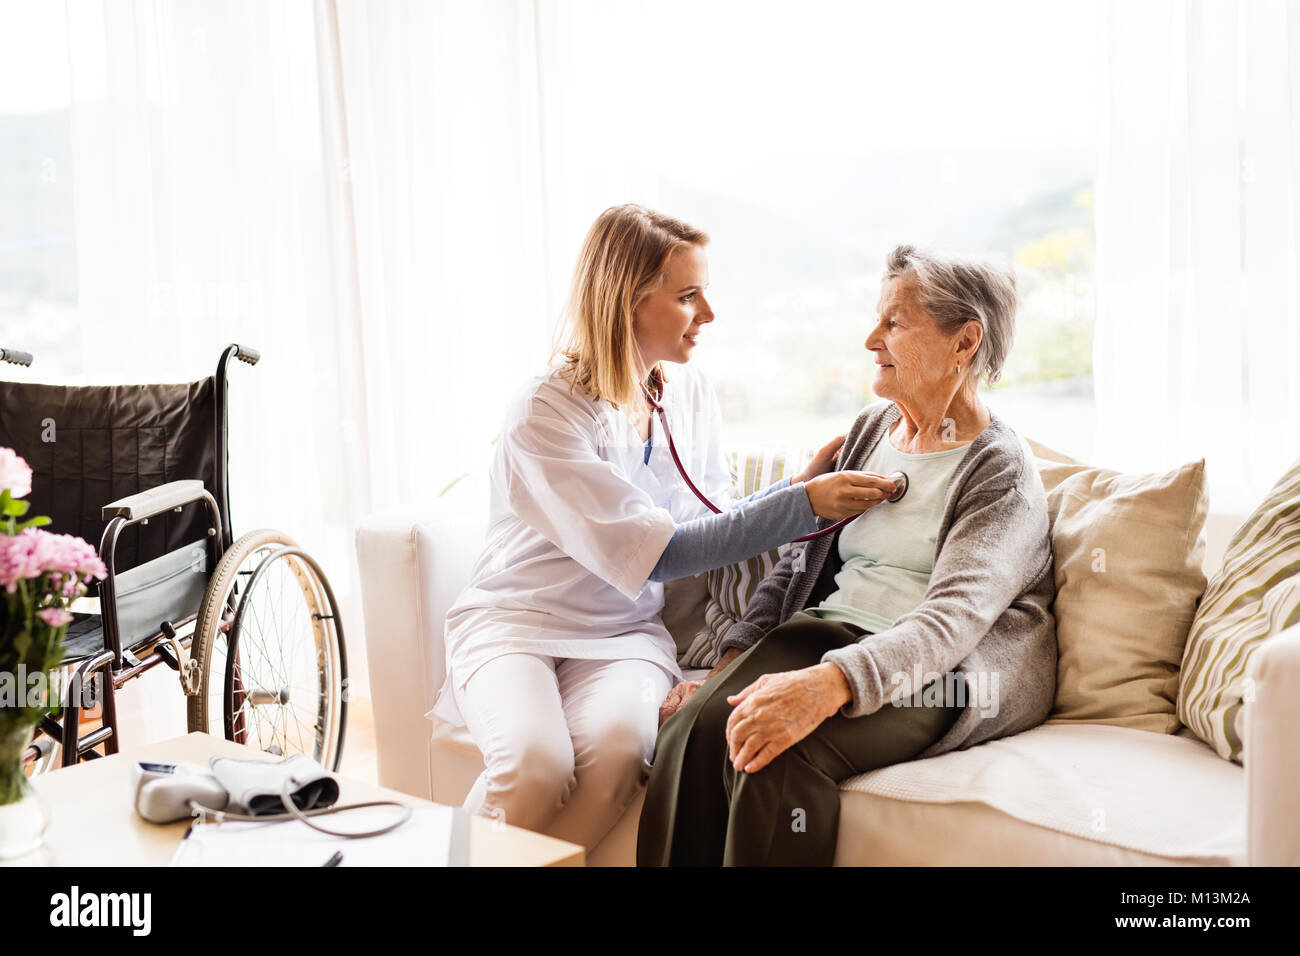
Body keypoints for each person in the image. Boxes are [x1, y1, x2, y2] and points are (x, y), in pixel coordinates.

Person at [426, 204, 896, 851]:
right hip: (518, 624)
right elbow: (662, 555)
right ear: (625, 301)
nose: (708, 315)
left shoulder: (687, 393)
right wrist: (804, 503)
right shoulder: (547, 409)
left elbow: (708, 522)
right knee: (536, 766)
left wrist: (793, 489)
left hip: (622, 633)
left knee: (619, 758)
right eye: (688, 296)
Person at [638, 244, 1059, 866]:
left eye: (894, 323)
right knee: (692, 729)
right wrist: (728, 663)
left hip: (944, 675)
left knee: (772, 749)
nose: (871, 339)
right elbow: (798, 566)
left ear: (964, 342)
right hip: (830, 635)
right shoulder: (870, 431)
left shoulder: (999, 470)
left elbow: (953, 623)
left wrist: (829, 685)